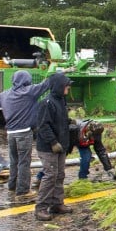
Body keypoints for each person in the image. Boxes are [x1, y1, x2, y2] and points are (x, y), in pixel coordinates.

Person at [0, 70, 50, 202]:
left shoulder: (6, 94)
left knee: (14, 161)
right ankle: (23, 191)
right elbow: (46, 84)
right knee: (24, 162)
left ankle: (12, 186)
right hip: (24, 132)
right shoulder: (29, 92)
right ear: (27, 80)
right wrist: (58, 71)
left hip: (10, 134)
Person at [34, 72, 74, 221]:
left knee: (59, 175)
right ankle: (41, 208)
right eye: (66, 85)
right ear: (59, 86)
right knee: (50, 176)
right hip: (48, 147)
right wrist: (53, 142)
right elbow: (43, 126)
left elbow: (58, 121)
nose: (68, 88)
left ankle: (57, 204)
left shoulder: (61, 101)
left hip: (61, 145)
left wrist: (69, 122)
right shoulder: (47, 103)